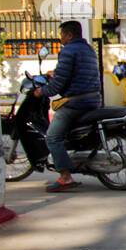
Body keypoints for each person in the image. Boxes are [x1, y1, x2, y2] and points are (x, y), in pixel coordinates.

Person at [37, 20, 101, 193]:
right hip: (93, 99)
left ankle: (65, 177)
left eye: (62, 35)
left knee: (52, 136)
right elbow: (75, 73)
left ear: (69, 35)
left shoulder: (68, 51)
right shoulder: (88, 50)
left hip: (76, 103)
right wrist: (55, 73)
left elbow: (59, 84)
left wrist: (42, 91)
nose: (61, 39)